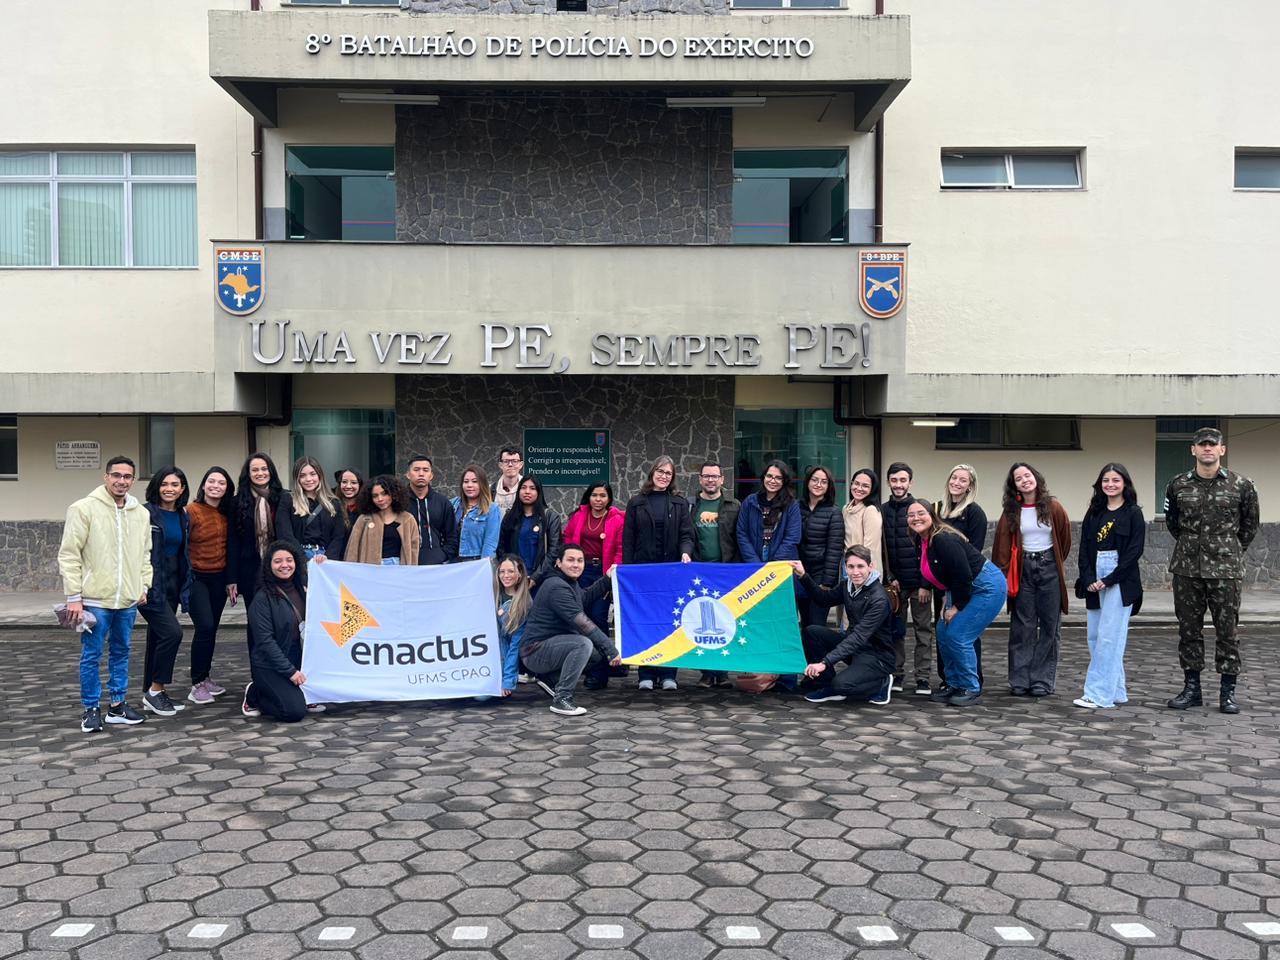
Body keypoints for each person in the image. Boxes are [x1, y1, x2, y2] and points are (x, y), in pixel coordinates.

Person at [1164, 427, 1260, 714]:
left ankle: (1227, 693)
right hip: (1187, 569)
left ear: (1222, 450)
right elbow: (1173, 523)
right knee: (1188, 630)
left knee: (1227, 632)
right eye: (1201, 444)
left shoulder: (1242, 485)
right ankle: (1192, 689)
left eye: (1212, 444)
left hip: (1225, 571)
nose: (1207, 449)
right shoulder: (1177, 484)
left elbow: (1250, 526)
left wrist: (1228, 550)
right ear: (1192, 450)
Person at [58, 456, 153, 733]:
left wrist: (143, 586)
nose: (121, 481)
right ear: (106, 476)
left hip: (127, 601)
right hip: (94, 600)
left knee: (121, 652)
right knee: (92, 655)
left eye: (127, 477)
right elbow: (69, 554)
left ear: (133, 480)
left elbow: (145, 554)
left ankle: (117, 706)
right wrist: (73, 596)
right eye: (116, 475)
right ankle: (90, 709)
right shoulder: (83, 508)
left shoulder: (141, 513)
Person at [907, 500, 1007, 708]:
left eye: (921, 513)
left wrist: (956, 607)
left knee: (958, 634)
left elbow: (963, 575)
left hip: (986, 586)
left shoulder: (943, 539)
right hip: (959, 587)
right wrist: (946, 599)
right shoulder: (922, 540)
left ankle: (971, 687)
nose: (916, 518)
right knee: (943, 631)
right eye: (911, 515)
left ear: (932, 515)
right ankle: (954, 684)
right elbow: (944, 574)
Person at [992, 463, 1071, 697]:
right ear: (1014, 485)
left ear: (1036, 478)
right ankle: (1019, 680)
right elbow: (1002, 546)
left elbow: (1064, 541)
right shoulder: (1011, 512)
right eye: (1018, 478)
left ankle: (1042, 681)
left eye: (1027, 475)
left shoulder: (1053, 507)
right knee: (1022, 626)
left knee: (1049, 626)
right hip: (1022, 569)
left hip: (1048, 567)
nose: (1024, 480)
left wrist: (1052, 561)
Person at [1074, 463, 1145, 710]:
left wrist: (1110, 579)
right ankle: (1116, 691)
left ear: (1125, 483)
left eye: (1116, 480)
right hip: (1095, 575)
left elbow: (1135, 551)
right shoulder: (1094, 512)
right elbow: (1084, 548)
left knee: (1109, 638)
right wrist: (1089, 577)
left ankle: (1097, 695)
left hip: (1120, 579)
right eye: (1106, 480)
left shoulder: (1133, 513)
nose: (1110, 485)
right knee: (1095, 637)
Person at [520, 544, 622, 716]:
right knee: (582, 644)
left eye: (580, 561)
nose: (576, 564)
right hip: (535, 652)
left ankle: (551, 679)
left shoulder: (568, 582)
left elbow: (584, 597)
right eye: (571, 560)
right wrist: (611, 650)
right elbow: (583, 624)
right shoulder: (556, 586)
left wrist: (607, 578)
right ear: (558, 563)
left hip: (549, 648)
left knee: (595, 654)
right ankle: (562, 698)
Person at [623, 456, 695, 691]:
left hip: (671, 573)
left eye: (669, 473)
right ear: (652, 472)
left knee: (670, 622)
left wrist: (685, 552)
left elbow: (687, 534)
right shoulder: (636, 503)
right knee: (646, 622)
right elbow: (629, 540)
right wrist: (629, 571)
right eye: (660, 471)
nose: (664, 476)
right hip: (643, 574)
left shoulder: (679, 503)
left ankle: (668, 674)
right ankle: (645, 672)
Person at [792, 545, 894, 705]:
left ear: (870, 567)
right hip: (855, 649)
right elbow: (823, 599)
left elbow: (859, 637)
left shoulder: (879, 599)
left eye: (860, 566)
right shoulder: (848, 585)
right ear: (845, 567)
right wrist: (803, 575)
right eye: (851, 567)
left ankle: (881, 682)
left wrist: (824, 662)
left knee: (841, 685)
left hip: (876, 655)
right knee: (812, 632)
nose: (855, 572)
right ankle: (825, 683)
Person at [138, 467, 191, 718]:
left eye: (175, 484)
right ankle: (156, 690)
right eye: (164, 484)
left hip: (173, 585)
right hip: (150, 586)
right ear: (157, 486)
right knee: (173, 633)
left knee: (158, 637)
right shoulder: (145, 513)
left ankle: (150, 692)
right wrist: (140, 585)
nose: (169, 488)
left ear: (182, 489)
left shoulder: (182, 515)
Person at [563, 481, 625, 690]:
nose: (598, 500)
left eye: (603, 496)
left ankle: (600, 673)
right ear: (588, 496)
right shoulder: (579, 516)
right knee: (581, 619)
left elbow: (619, 547)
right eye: (594, 495)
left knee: (598, 618)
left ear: (609, 499)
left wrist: (613, 571)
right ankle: (586, 667)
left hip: (603, 573)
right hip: (578, 573)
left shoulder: (617, 519)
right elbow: (567, 541)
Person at [932, 464, 988, 694]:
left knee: (965, 633)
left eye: (962, 480)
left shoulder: (975, 513)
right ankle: (949, 678)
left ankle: (971, 681)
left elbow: (973, 552)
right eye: (954, 477)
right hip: (941, 583)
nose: (956, 482)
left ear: (970, 486)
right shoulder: (938, 510)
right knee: (943, 632)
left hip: (963, 583)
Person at [881, 462, 934, 696]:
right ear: (888, 482)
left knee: (923, 631)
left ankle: (923, 678)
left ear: (910, 482)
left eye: (903, 480)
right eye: (894, 480)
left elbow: (929, 548)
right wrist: (889, 577)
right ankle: (897, 674)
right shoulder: (881, 510)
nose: (898, 484)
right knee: (896, 632)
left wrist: (925, 583)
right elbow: (882, 549)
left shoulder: (919, 509)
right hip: (896, 585)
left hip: (920, 585)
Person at [185, 467, 236, 705]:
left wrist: (230, 581)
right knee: (204, 626)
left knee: (212, 628)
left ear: (227, 488)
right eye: (211, 481)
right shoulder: (191, 511)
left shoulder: (228, 513)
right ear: (204, 485)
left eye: (221, 483)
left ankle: (205, 678)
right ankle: (196, 684)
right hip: (196, 578)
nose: (216, 486)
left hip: (219, 578)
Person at [242, 541, 309, 723]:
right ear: (269, 566)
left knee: (315, 699)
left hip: (297, 660)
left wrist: (322, 562)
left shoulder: (303, 590)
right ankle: (254, 694)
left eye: (289, 560)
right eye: (278, 561)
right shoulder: (262, 598)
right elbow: (265, 642)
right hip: (269, 665)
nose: (285, 565)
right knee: (294, 711)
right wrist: (290, 672)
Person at [688, 461, 741, 688]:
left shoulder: (734, 506)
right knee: (701, 621)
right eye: (706, 476)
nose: (711, 480)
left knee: (724, 621)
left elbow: (740, 538)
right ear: (700, 479)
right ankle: (707, 672)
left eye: (715, 476)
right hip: (699, 571)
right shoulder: (689, 506)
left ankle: (722, 671)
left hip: (725, 571)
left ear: (722, 480)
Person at [231, 452, 285, 633]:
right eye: (255, 470)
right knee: (256, 622)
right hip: (250, 571)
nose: (260, 473)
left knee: (281, 620)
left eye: (264, 469)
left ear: (271, 472)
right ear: (248, 474)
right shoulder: (237, 502)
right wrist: (231, 578)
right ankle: (257, 662)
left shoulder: (283, 499)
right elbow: (233, 542)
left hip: (280, 569)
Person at [796, 465, 845, 629]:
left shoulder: (833, 512)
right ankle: (806, 655)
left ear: (829, 486)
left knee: (817, 625)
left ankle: (819, 655)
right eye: (815, 480)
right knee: (804, 622)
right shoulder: (796, 507)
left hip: (820, 576)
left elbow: (835, 549)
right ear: (807, 482)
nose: (818, 484)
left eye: (824, 481)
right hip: (799, 573)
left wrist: (827, 582)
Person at [276, 456, 345, 562]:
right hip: (296, 557)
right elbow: (285, 533)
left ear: (320, 475)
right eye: (302, 476)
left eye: (313, 474)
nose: (308, 479)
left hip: (325, 559)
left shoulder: (334, 503)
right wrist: (302, 559)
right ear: (297, 478)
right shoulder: (288, 500)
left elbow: (338, 536)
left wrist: (328, 558)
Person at [344, 475, 421, 565]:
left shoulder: (408, 519)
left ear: (394, 493)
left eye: (384, 493)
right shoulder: (364, 519)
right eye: (375, 496)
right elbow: (353, 549)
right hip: (370, 570)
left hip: (398, 569)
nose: (380, 499)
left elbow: (414, 551)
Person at [498, 475, 562, 584]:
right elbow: (501, 548)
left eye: (532, 488)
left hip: (540, 579)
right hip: (514, 578)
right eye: (523, 488)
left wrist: (535, 578)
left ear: (539, 492)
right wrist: (511, 572)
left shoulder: (550, 517)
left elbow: (553, 551)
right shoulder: (510, 516)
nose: (527, 491)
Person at [404, 455, 459, 565]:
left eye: (425, 470)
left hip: (436, 564)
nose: (421, 474)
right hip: (405, 562)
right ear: (408, 475)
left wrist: (443, 555)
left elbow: (452, 536)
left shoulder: (443, 503)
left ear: (431, 475)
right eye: (416, 470)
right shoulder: (399, 502)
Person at [493, 555, 532, 698]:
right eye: (502, 571)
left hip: (504, 655)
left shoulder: (524, 604)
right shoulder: (492, 594)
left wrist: (507, 680)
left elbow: (515, 645)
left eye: (510, 571)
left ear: (519, 574)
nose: (505, 575)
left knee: (483, 697)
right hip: (487, 653)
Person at [452, 463, 503, 562]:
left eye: (475, 481)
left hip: (475, 561)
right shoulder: (453, 504)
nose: (469, 485)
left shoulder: (492, 508)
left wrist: (482, 566)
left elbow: (490, 542)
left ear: (482, 484)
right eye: (466, 481)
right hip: (452, 562)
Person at [842, 468, 883, 567]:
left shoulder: (870, 510)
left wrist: (863, 570)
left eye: (865, 486)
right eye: (856, 483)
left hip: (862, 568)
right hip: (847, 564)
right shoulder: (846, 509)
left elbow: (870, 548)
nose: (859, 488)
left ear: (872, 489)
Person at [331, 466, 364, 561]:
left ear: (360, 485)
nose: (348, 486)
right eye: (344, 482)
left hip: (358, 560)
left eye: (353, 483)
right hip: (334, 560)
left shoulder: (367, 509)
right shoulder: (330, 506)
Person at [492, 446, 524, 513]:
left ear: (521, 464)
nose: (510, 465)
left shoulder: (529, 489)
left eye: (514, 461)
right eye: (506, 461)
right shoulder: (492, 490)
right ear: (500, 465)